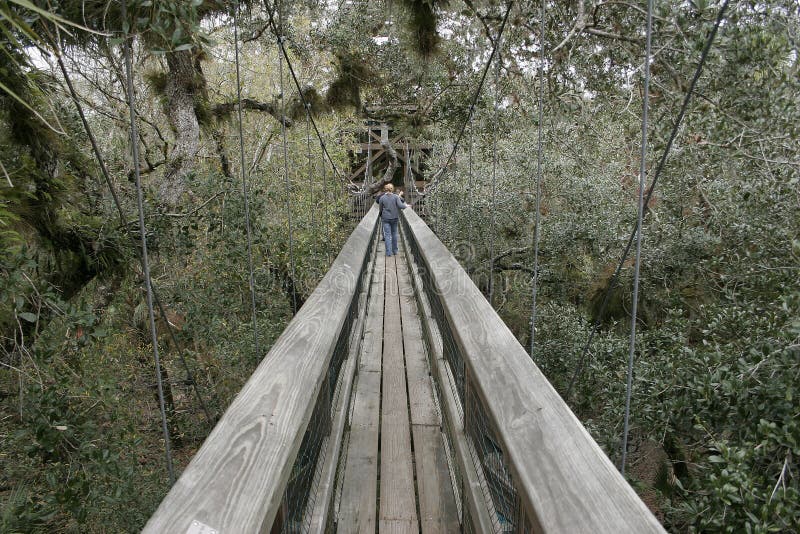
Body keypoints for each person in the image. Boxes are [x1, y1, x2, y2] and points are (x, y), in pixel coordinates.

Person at [376, 184, 407, 257]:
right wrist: (406, 206)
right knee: (394, 234)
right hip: (394, 218)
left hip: (385, 218)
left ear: (385, 189)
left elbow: (380, 209)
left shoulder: (382, 198)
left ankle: (388, 252)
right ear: (392, 189)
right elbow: (400, 206)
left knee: (387, 235)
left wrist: (381, 215)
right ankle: (395, 251)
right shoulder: (396, 197)